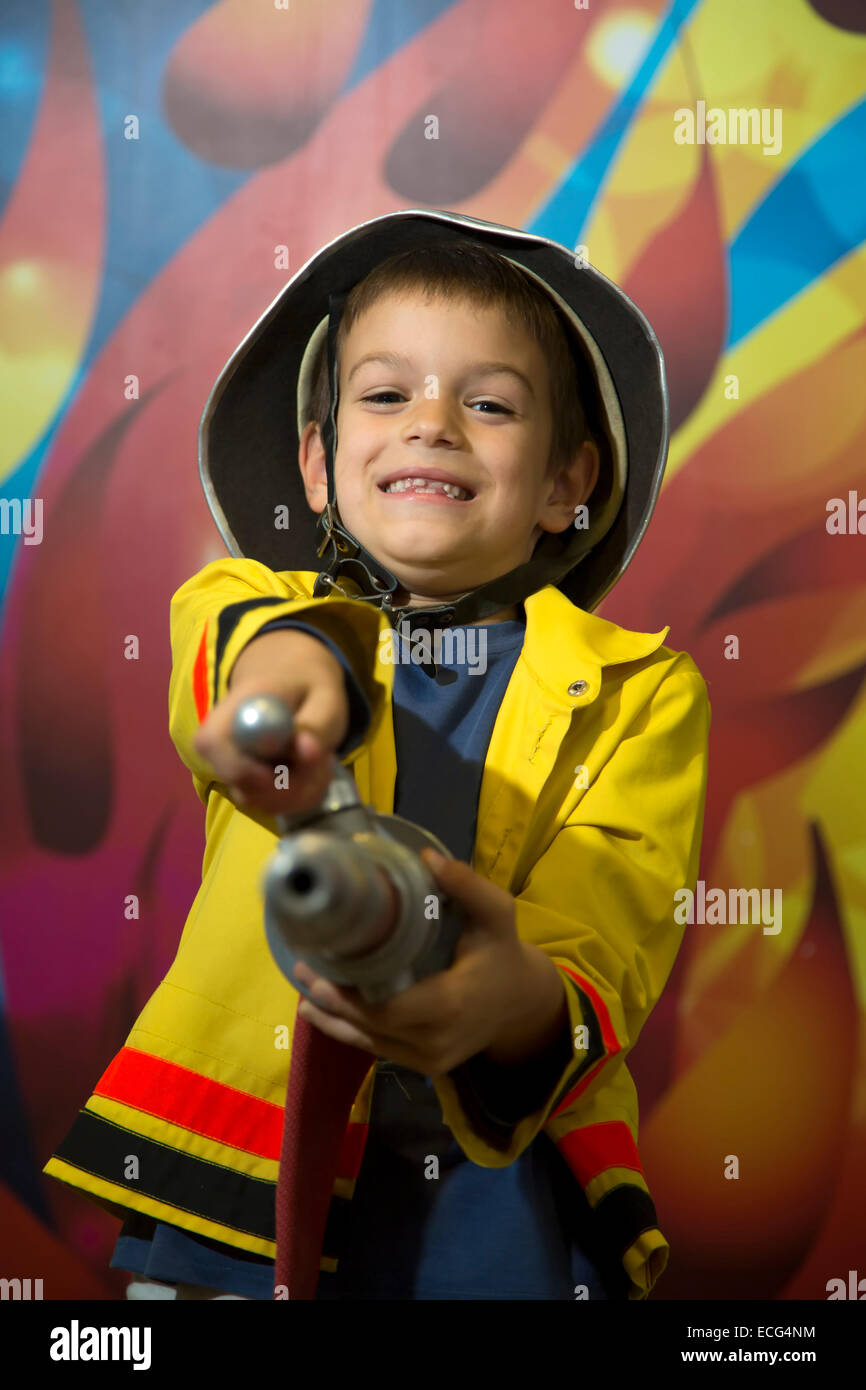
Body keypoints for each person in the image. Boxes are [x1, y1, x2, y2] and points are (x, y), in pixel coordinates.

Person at [43, 209, 710, 1302]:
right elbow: (264, 656)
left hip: (501, 1193)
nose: (432, 425)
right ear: (317, 464)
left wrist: (511, 1001)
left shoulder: (646, 693)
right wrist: (287, 699)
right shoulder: (245, 606)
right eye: (386, 394)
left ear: (563, 482)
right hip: (244, 1180)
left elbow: (610, 930)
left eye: (488, 403)